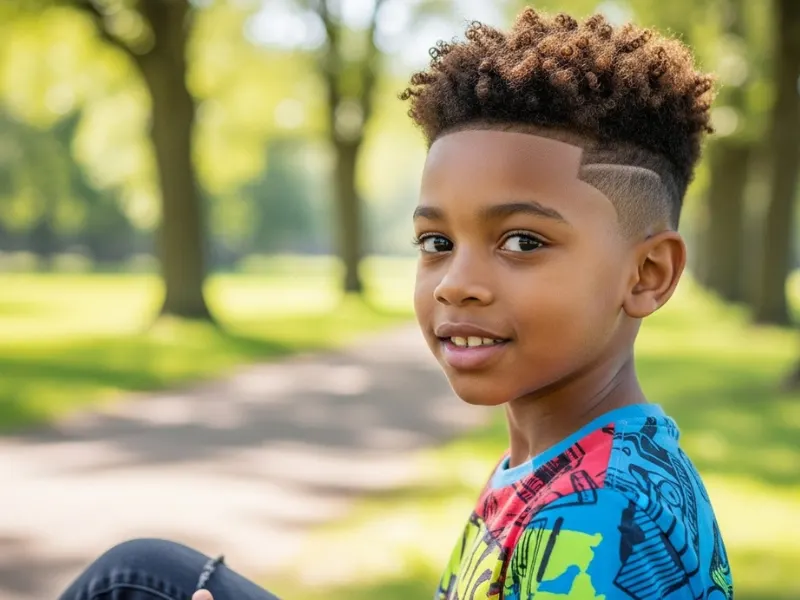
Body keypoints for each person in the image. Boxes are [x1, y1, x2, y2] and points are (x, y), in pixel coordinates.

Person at [58, 7, 733, 600]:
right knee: (143, 575)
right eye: (436, 241)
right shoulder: (567, 456)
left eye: (523, 241)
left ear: (646, 274)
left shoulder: (599, 517)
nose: (455, 282)